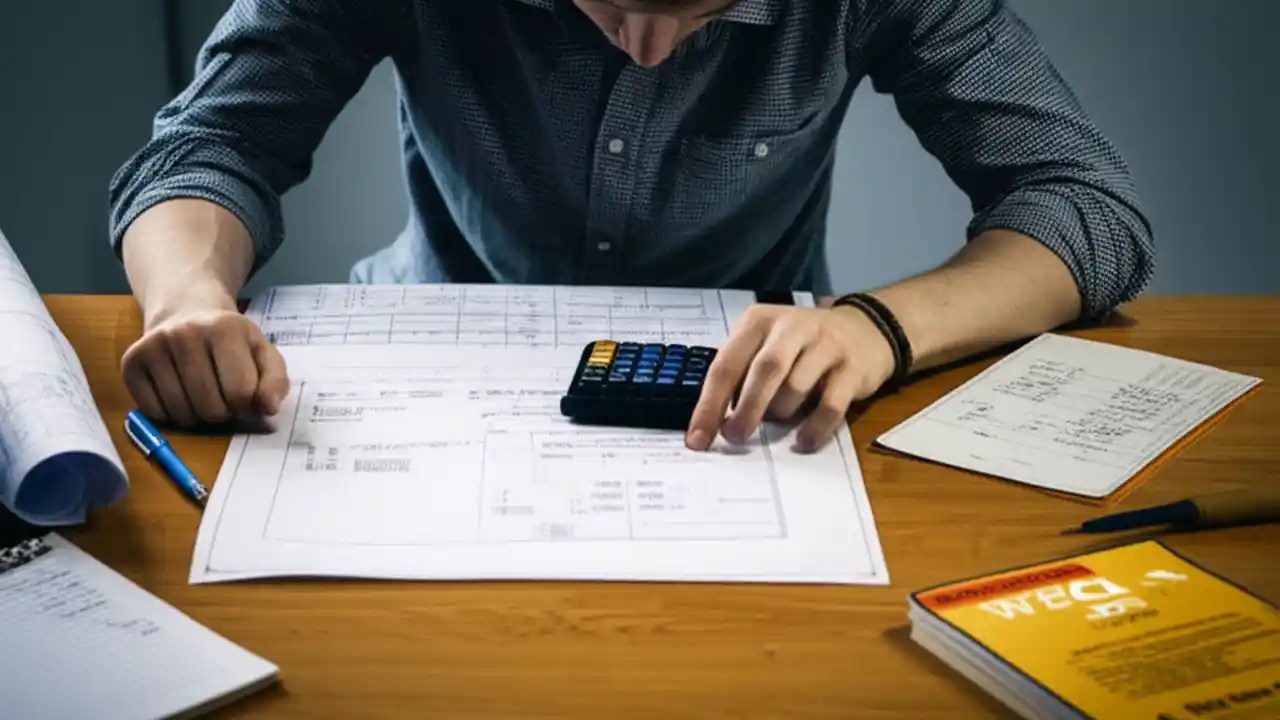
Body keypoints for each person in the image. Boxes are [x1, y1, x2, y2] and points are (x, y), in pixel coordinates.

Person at [109, 0, 1154, 452]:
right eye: (606, 6)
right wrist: (189, 295)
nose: (648, 53)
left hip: (752, 393)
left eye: (708, 12)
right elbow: (209, 145)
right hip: (416, 366)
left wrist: (873, 328)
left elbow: (1083, 205)